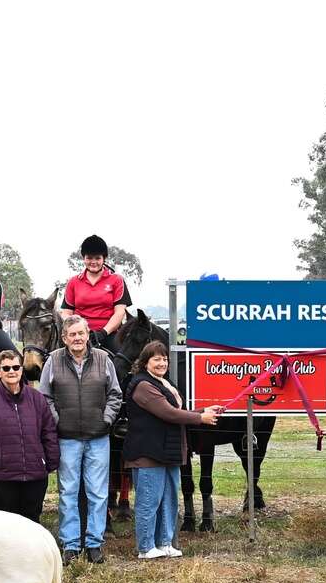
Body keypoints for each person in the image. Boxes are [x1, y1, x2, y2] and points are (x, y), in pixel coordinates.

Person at [123, 340, 221, 559]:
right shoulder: (143, 386)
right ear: (145, 362)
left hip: (169, 451)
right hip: (148, 453)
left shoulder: (164, 383)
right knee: (149, 502)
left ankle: (165, 543)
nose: (162, 363)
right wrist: (200, 418)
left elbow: (177, 411)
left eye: (165, 359)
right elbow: (168, 413)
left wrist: (204, 410)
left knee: (168, 500)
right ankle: (146, 547)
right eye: (156, 359)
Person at [40, 314, 122, 563]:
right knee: (68, 492)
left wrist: (105, 419)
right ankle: (71, 544)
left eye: (81, 333)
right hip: (68, 439)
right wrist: (58, 422)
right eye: (72, 334)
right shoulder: (53, 361)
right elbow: (45, 397)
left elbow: (115, 395)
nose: (77, 338)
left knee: (98, 493)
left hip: (98, 437)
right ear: (64, 338)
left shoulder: (103, 359)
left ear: (88, 335)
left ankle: (95, 543)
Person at [0, 349, 60, 524]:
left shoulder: (37, 398)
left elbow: (48, 431)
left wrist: (51, 461)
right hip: (4, 475)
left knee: (32, 520)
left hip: (35, 473)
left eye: (15, 367)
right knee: (7, 524)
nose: (11, 371)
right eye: (6, 368)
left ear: (21, 370)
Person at [61, 234, 130, 342]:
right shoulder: (73, 282)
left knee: (122, 357)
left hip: (108, 334)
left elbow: (120, 312)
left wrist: (103, 332)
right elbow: (66, 313)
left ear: (104, 258)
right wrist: (76, 330)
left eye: (97, 258)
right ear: (83, 258)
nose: (93, 262)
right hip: (79, 336)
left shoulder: (117, 280)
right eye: (89, 258)